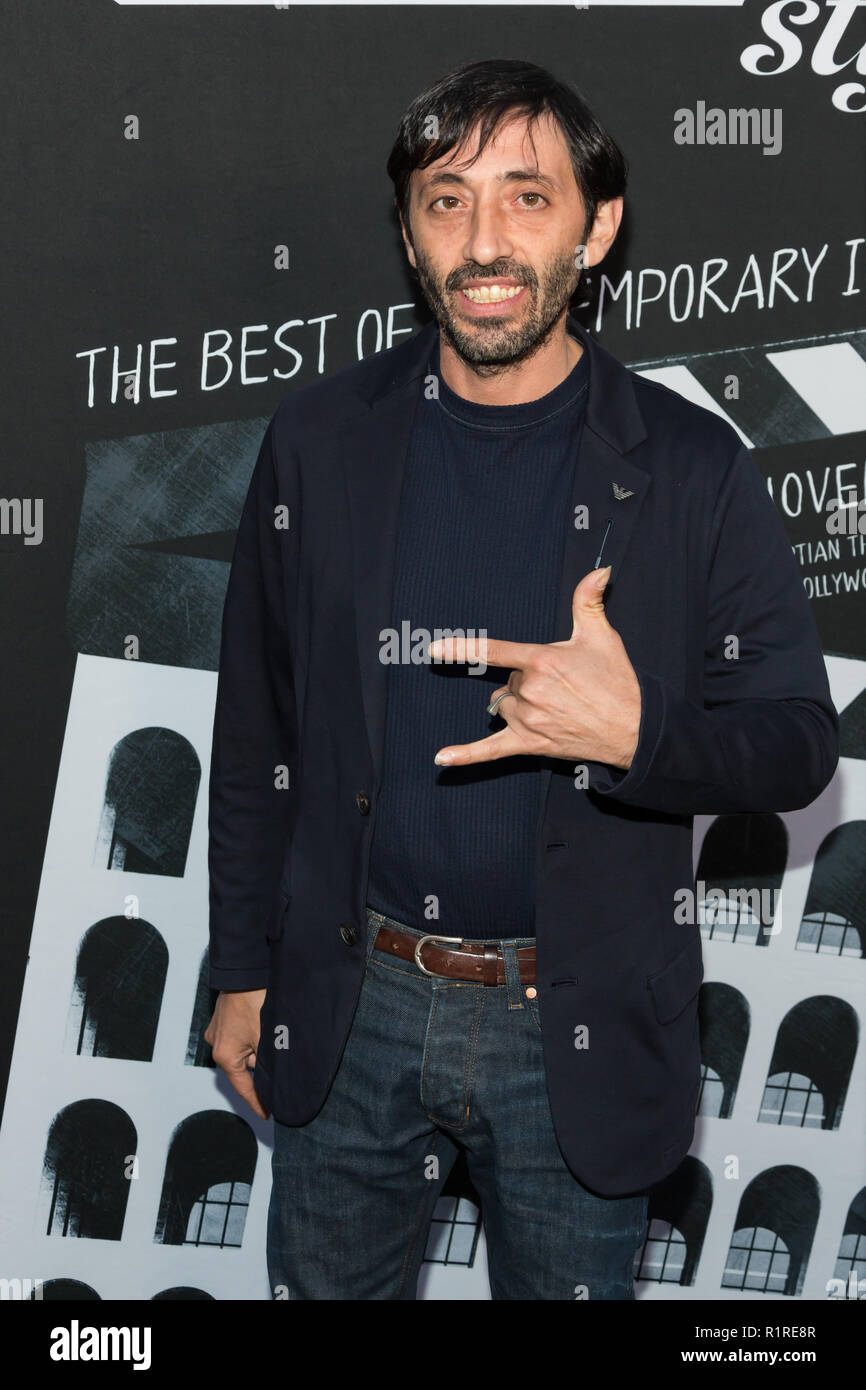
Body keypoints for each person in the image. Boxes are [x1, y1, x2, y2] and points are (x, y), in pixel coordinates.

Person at [204, 59, 838, 1300]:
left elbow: (795, 739)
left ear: (596, 229)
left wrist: (637, 732)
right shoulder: (317, 441)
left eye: (526, 197)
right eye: (446, 201)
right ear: (405, 230)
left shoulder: (692, 466)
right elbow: (257, 728)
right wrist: (241, 967)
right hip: (352, 1000)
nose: (483, 241)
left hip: (580, 1024)